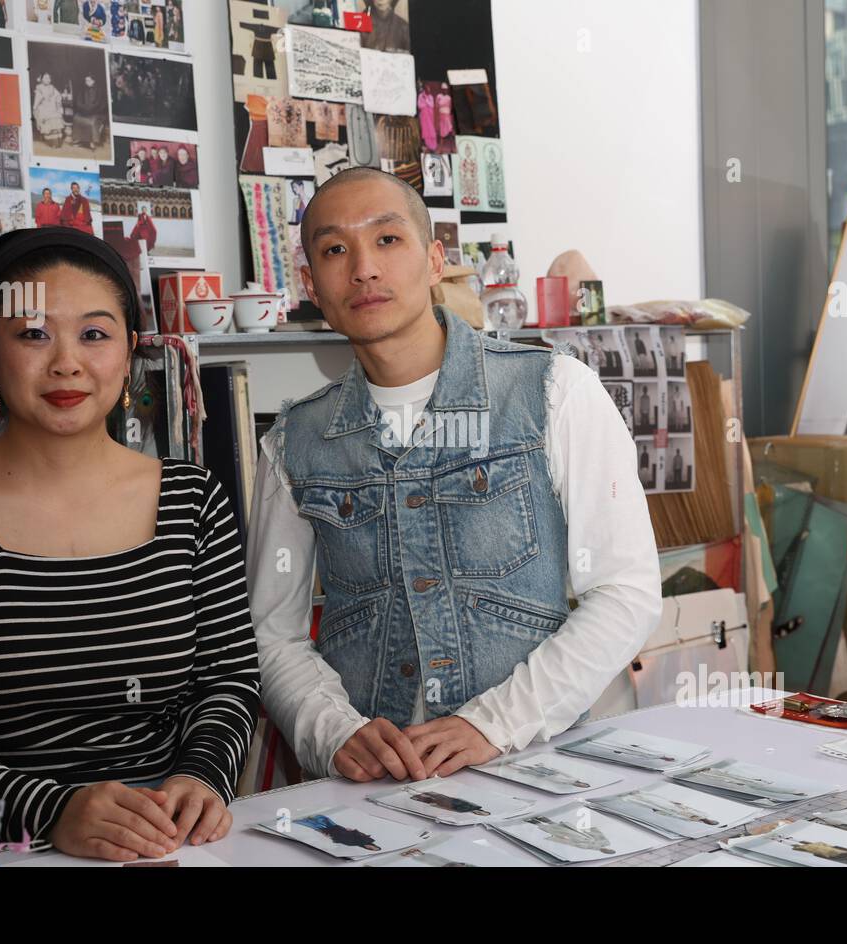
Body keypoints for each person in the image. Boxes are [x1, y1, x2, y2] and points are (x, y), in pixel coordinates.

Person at [0, 227, 260, 861]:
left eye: (95, 334)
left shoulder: (192, 499)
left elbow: (229, 679)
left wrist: (202, 777)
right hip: (9, 844)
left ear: (130, 351)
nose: (67, 362)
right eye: (33, 333)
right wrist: (54, 811)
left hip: (173, 839)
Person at [248, 168, 661, 783]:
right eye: (335, 249)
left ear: (435, 260)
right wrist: (333, 732)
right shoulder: (295, 442)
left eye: (388, 240)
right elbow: (271, 632)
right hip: (371, 792)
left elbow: (625, 592)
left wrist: (494, 722)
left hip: (531, 772)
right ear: (312, 284)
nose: (363, 268)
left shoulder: (552, 391)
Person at [31, 72, 64, 144]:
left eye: (49, 78)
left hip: (52, 107)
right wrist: (35, 108)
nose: (47, 80)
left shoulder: (52, 87)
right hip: (43, 107)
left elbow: (58, 95)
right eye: (45, 78)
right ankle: (51, 140)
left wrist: (58, 99)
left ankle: (57, 139)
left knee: (57, 115)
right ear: (41, 79)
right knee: (48, 117)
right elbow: (37, 101)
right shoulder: (39, 88)